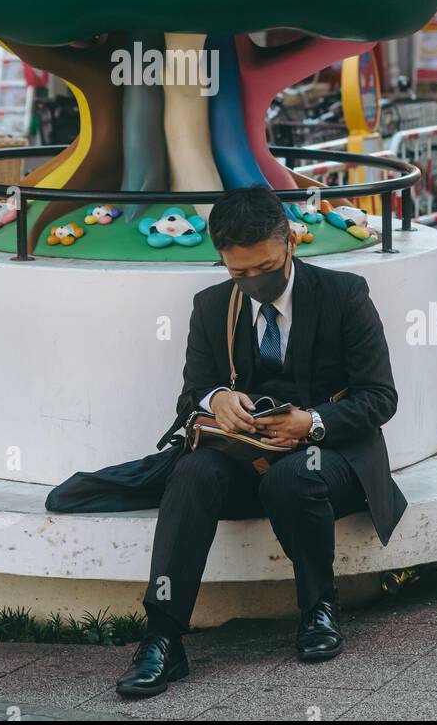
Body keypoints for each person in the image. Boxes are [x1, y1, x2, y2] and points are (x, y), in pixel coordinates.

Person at [115, 184, 407, 699]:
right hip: (245, 456)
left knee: (297, 477)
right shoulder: (211, 307)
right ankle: (162, 636)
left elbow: (379, 398)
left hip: (330, 455)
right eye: (238, 273)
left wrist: (312, 422)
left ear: (290, 242)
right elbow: (191, 395)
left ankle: (319, 606)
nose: (254, 283)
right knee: (189, 472)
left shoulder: (344, 295)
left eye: (264, 267)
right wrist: (215, 399)